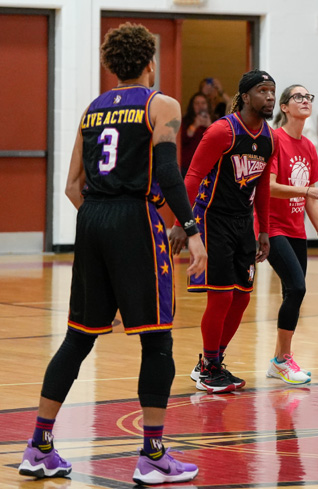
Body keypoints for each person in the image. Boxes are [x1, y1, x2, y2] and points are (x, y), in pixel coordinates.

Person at [18, 24, 206, 483]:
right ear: (150, 63)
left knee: (78, 337)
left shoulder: (91, 109)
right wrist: (191, 229)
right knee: (157, 339)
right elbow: (167, 172)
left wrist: (101, 223)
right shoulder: (161, 105)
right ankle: (154, 456)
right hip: (133, 220)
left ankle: (39, 447)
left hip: (92, 219)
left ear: (112, 65)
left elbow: (70, 186)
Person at [173, 69, 276, 394]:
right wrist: (181, 224)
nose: (270, 97)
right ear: (245, 96)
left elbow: (262, 187)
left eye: (272, 91)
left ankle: (213, 360)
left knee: (242, 298)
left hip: (243, 223)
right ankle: (209, 367)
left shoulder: (269, 138)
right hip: (212, 220)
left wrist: (264, 231)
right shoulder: (222, 131)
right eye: (263, 91)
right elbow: (191, 177)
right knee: (221, 298)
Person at [264, 84, 318, 384]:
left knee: (292, 293)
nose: (305, 101)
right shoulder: (275, 140)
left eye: (309, 97)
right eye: (298, 97)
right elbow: (269, 187)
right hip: (272, 227)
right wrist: (307, 189)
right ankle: (282, 360)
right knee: (297, 288)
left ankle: (279, 361)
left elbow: (310, 198)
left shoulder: (308, 146)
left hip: (296, 230)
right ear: (284, 106)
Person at [181, 92, 212, 174]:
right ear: (192, 106)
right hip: (188, 167)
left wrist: (210, 126)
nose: (200, 106)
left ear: (207, 105)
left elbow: (219, 142)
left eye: (203, 103)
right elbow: (183, 139)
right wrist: (194, 125)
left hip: (208, 167)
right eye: (197, 103)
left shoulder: (215, 121)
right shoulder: (185, 121)